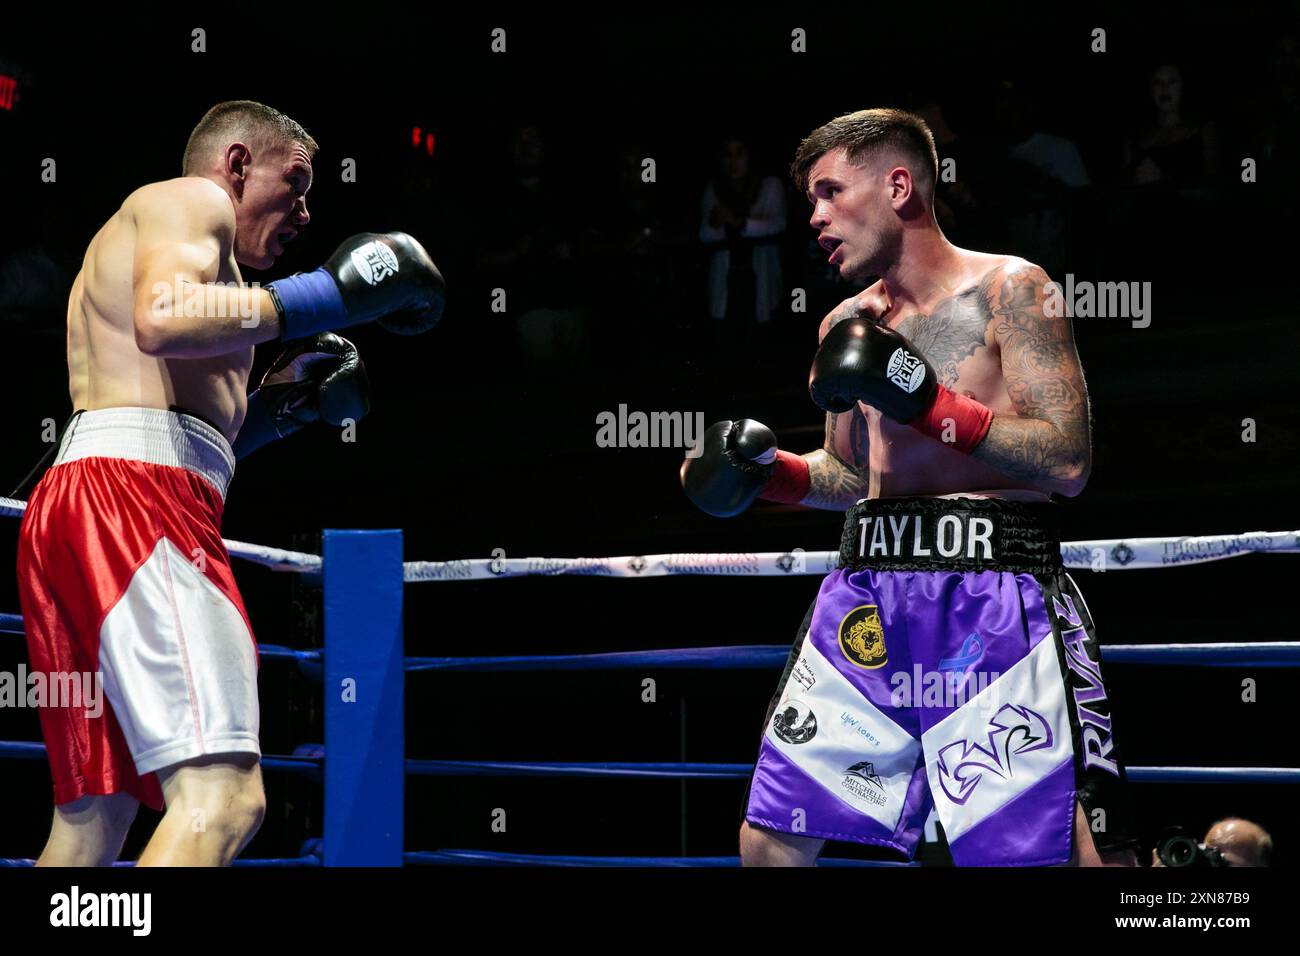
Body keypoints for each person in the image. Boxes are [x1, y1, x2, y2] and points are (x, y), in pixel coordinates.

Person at [681, 108, 1138, 867]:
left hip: (993, 598)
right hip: (870, 600)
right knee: (769, 845)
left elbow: (1066, 461)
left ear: (899, 186)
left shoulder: (1012, 289)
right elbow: (853, 475)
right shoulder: (844, 324)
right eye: (811, 204)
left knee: (1061, 853)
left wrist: (928, 402)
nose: (818, 219)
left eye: (831, 193)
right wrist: (772, 479)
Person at [15, 100, 443, 866]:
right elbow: (162, 316)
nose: (307, 212)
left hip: (84, 505)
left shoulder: (216, 282)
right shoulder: (193, 200)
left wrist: (289, 411)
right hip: (135, 505)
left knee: (90, 829)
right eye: (296, 182)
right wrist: (331, 297)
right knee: (224, 797)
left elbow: (195, 425)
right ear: (238, 165)